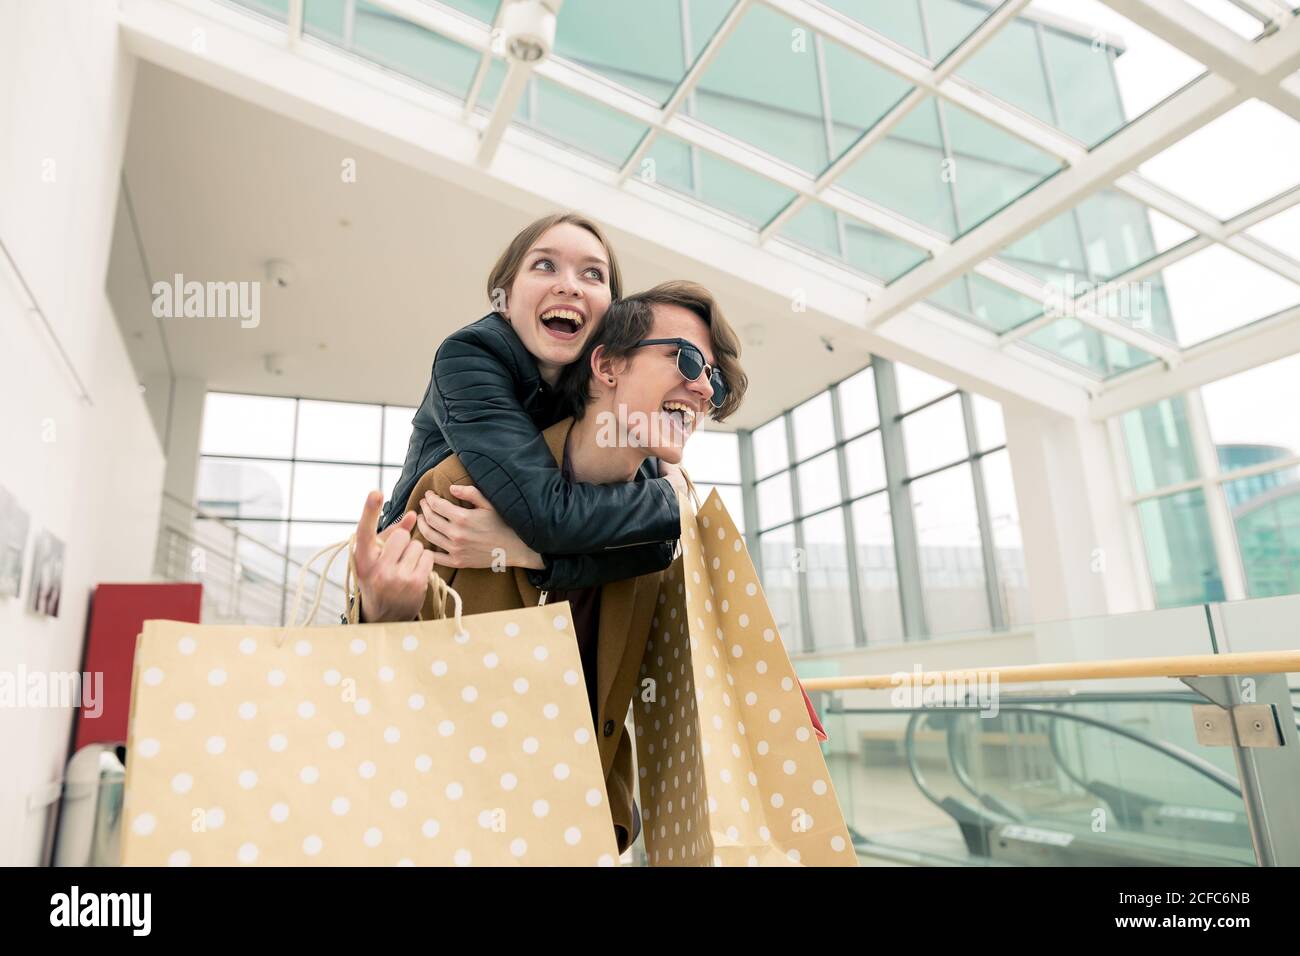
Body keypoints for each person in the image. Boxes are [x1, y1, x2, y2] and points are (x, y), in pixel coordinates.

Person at [368, 280, 745, 854]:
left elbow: (689, 674)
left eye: (712, 379)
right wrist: (379, 613)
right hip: (443, 828)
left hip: (581, 832)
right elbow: (378, 677)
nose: (700, 386)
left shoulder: (670, 532)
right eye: (687, 358)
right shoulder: (458, 493)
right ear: (608, 365)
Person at [355, 213, 698, 625]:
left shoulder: (601, 384)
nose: (568, 285)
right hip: (418, 565)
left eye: (592, 274)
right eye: (544, 265)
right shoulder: (470, 356)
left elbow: (654, 545)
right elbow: (549, 514)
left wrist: (525, 553)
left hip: (523, 600)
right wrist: (671, 495)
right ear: (506, 295)